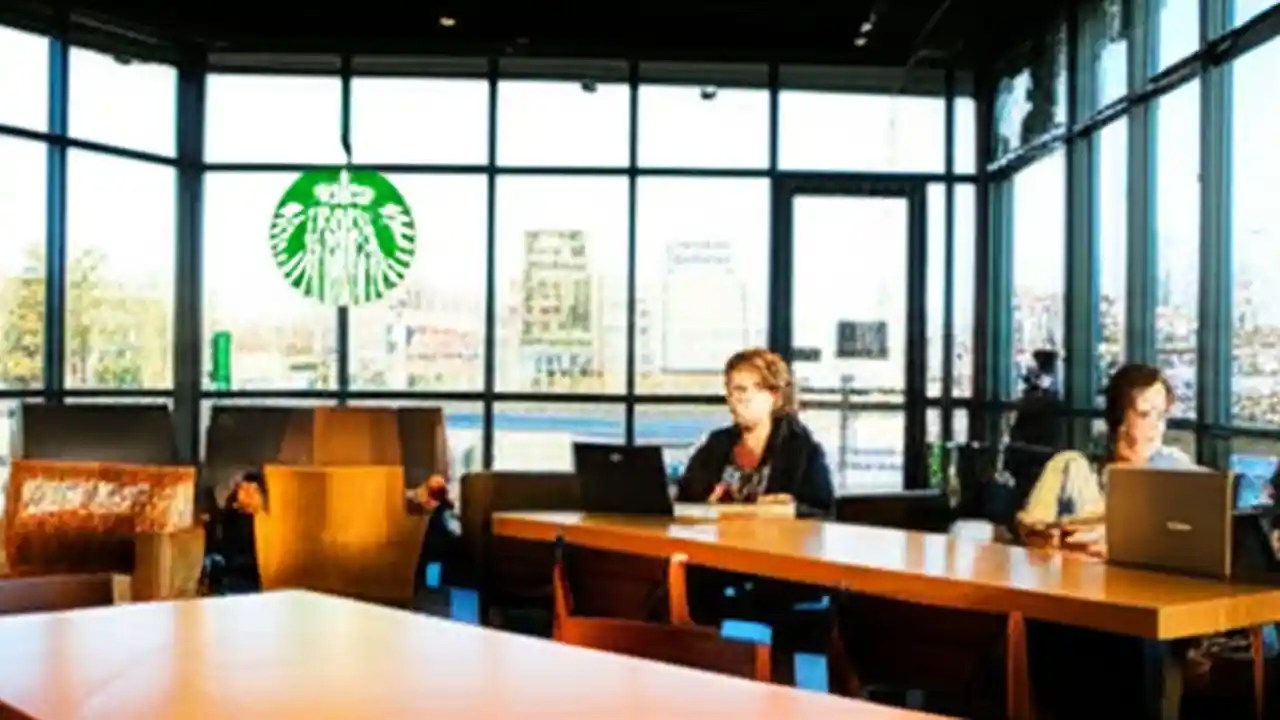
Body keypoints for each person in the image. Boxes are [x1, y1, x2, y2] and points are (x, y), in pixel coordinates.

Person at [1016, 362, 1195, 555]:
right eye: (1144, 414)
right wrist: (1062, 537)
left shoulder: (1179, 471)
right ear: (1119, 419)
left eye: (1161, 416)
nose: (1157, 426)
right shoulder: (1072, 468)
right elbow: (1030, 529)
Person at [677, 347, 834, 518]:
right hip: (719, 533)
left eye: (742, 391)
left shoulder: (801, 451)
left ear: (773, 396)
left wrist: (787, 510)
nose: (734, 400)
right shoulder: (716, 445)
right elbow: (682, 503)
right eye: (730, 392)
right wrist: (707, 506)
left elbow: (823, 513)